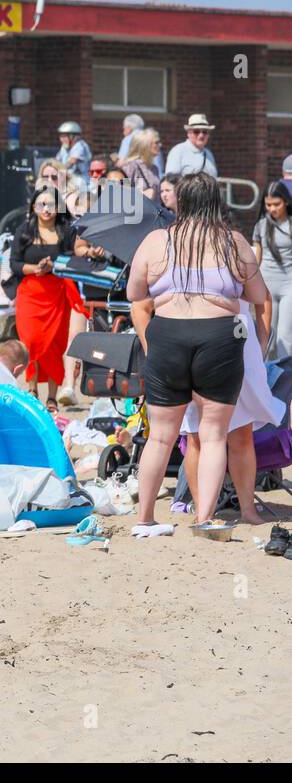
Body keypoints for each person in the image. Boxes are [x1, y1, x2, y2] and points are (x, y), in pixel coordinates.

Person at [126, 173, 267, 535]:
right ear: (216, 201)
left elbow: (134, 292)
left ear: (180, 202)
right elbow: (256, 294)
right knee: (214, 432)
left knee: (160, 435)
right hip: (218, 338)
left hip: (168, 336)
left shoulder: (157, 240)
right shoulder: (232, 242)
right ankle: (205, 518)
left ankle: (144, 518)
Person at [178, 296, 283, 526]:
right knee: (195, 436)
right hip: (191, 334)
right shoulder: (179, 258)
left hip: (237, 338)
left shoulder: (238, 258)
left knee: (241, 432)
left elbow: (262, 295)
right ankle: (203, 509)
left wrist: (262, 341)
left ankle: (248, 510)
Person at [10, 187, 98, 406]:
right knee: (30, 341)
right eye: (41, 204)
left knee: (54, 344)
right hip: (30, 292)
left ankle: (51, 395)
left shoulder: (67, 231)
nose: (46, 209)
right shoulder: (24, 231)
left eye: (51, 204)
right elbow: (14, 263)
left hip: (58, 292)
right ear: (33, 207)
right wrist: (34, 269)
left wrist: (54, 266)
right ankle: (31, 390)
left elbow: (74, 258)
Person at [251, 181, 292, 359]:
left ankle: (287, 382)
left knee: (285, 336)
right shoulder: (260, 225)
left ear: (286, 202)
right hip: (267, 285)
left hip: (289, 284)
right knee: (267, 337)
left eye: (277, 204)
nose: (272, 208)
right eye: (268, 205)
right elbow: (256, 260)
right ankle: (267, 380)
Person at [119, 129, 162, 199]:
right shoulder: (130, 167)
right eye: (156, 143)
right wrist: (143, 195)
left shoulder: (154, 168)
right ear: (145, 145)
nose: (160, 145)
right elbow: (121, 194)